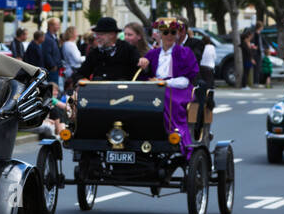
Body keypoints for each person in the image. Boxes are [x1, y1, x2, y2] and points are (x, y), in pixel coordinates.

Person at [138, 17, 200, 158]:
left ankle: (175, 133)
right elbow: (143, 76)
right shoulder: (152, 54)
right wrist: (145, 67)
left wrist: (164, 83)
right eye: (165, 33)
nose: (169, 36)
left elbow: (185, 81)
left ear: (178, 34)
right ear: (159, 35)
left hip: (178, 91)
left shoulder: (185, 53)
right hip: (154, 89)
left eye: (173, 32)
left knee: (164, 97)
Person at [76, 17, 141, 82]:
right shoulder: (94, 53)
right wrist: (83, 80)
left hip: (123, 90)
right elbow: (80, 73)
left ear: (112, 34)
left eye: (101, 34)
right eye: (96, 34)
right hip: (99, 90)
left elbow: (141, 71)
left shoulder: (128, 49)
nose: (97, 37)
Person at [42, 18, 64, 92]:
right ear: (51, 26)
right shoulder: (47, 38)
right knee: (52, 89)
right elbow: (47, 53)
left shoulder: (54, 37)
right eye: (57, 25)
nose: (59, 27)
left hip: (56, 68)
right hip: (52, 69)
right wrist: (53, 65)